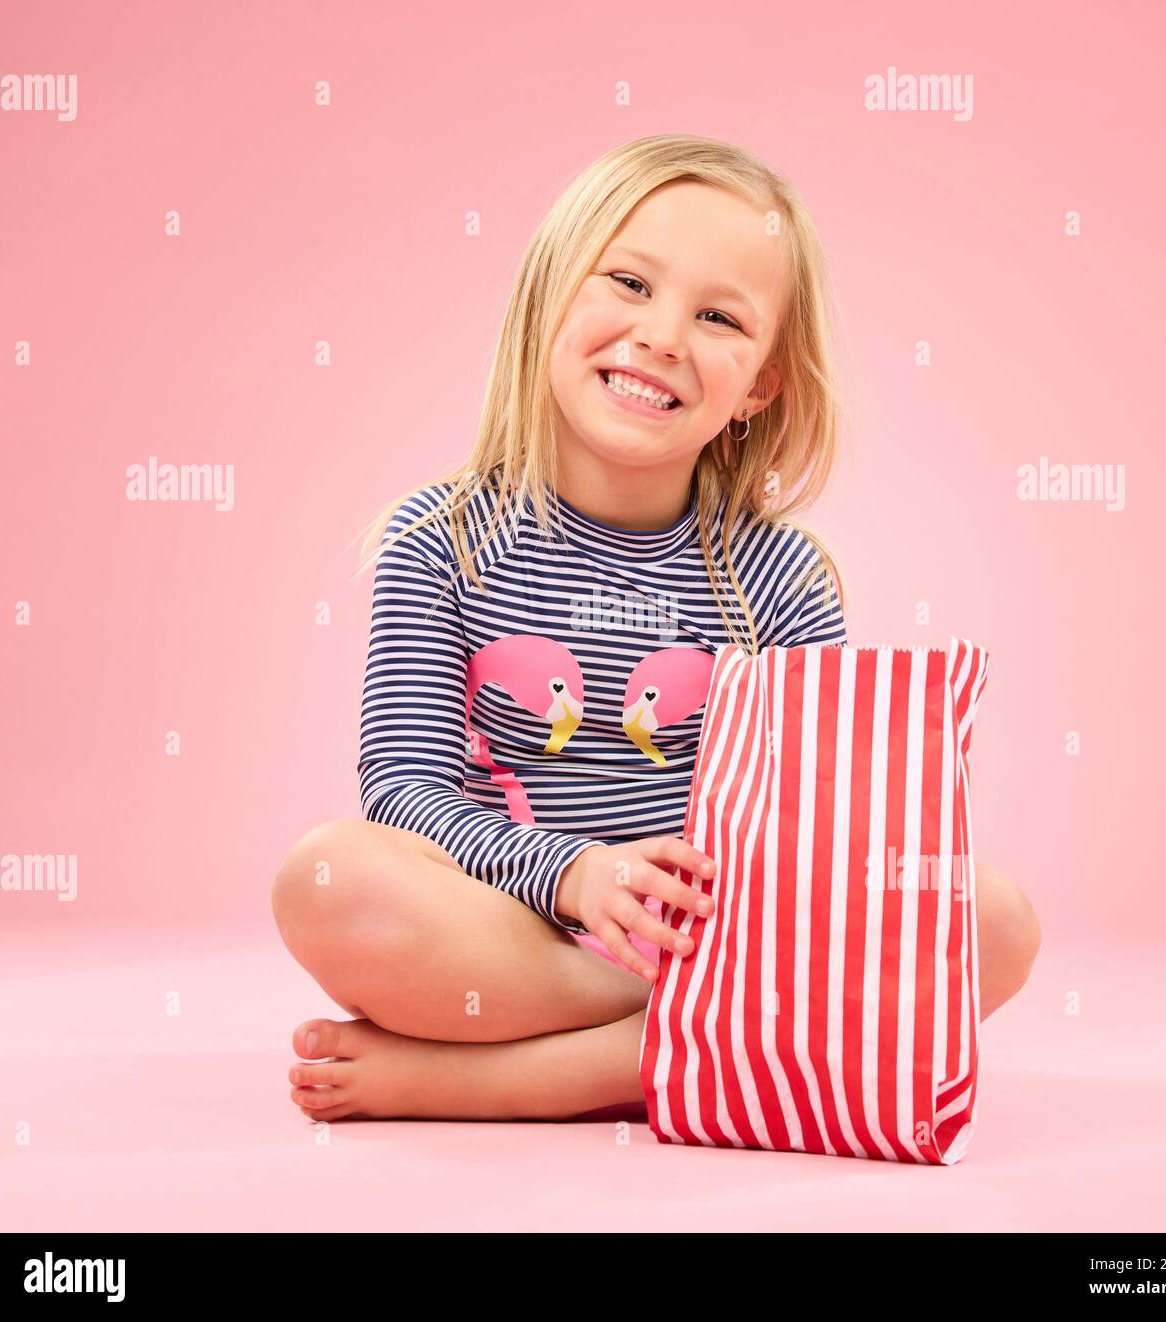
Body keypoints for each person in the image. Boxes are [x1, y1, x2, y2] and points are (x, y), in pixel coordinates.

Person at [271, 134, 1041, 1123]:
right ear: (551, 293)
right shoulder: (440, 541)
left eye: (718, 315)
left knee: (992, 919)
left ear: (759, 383)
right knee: (328, 875)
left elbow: (813, 839)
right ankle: (719, 1037)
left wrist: (711, 927)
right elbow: (403, 792)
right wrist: (575, 872)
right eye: (628, 282)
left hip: (720, 930)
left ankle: (507, 1079)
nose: (662, 335)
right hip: (518, 935)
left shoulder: (783, 577)